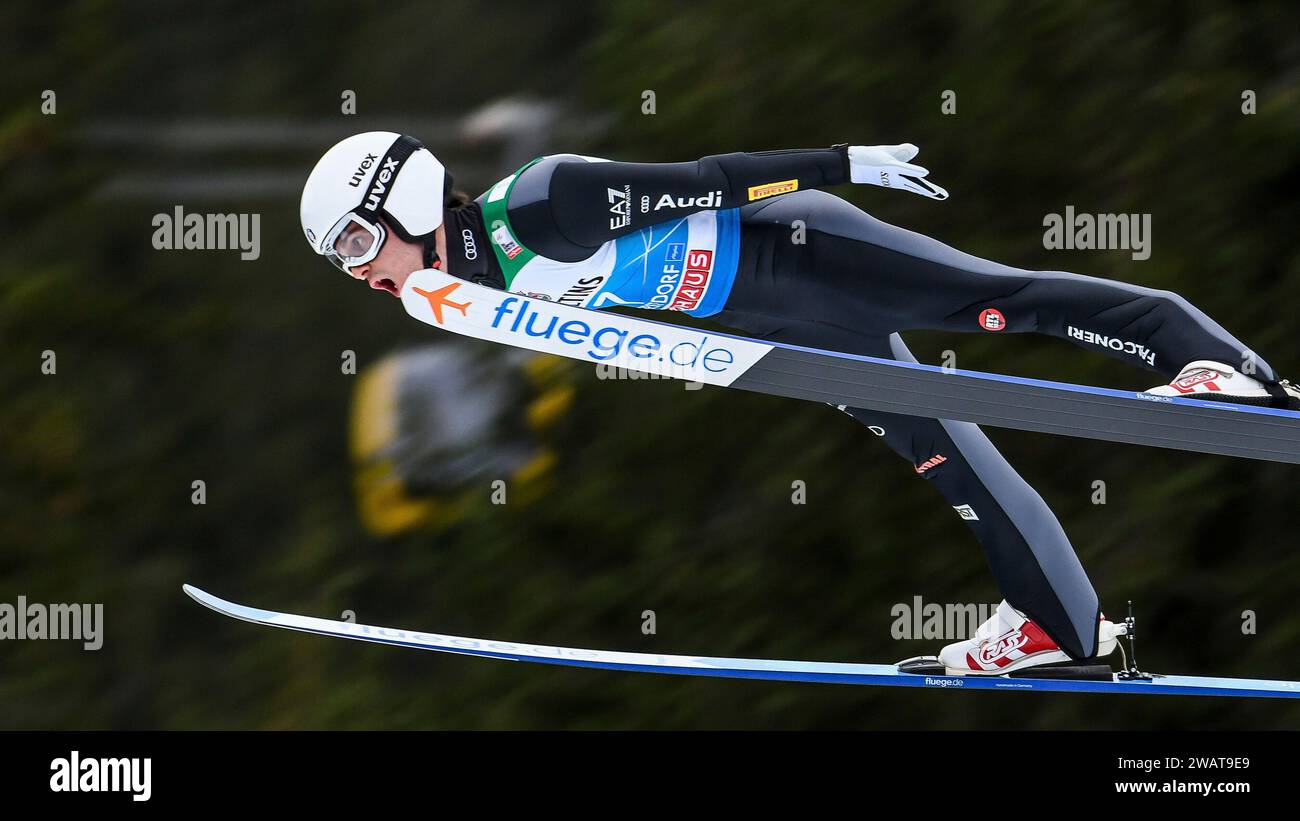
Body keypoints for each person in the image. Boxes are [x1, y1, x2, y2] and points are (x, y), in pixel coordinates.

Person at [300, 131, 1299, 674]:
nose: (355, 271)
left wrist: (841, 165)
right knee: (935, 445)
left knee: (991, 302)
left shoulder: (540, 203)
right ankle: (1063, 626)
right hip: (770, 325)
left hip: (800, 248)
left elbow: (703, 183)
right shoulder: (463, 300)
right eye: (338, 257)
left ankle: (1224, 367)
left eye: (354, 242)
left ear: (408, 200)